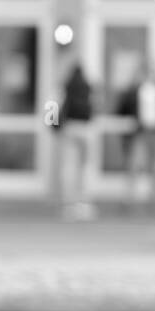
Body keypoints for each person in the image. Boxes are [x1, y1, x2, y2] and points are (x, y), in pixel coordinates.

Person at [122, 66, 155, 209]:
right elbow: (125, 106)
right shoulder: (136, 90)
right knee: (136, 164)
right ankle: (130, 198)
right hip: (141, 132)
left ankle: (154, 199)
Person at [58, 62, 95, 219]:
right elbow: (95, 108)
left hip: (70, 128)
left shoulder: (65, 87)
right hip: (85, 129)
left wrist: (54, 125)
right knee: (84, 167)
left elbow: (52, 105)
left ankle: (68, 203)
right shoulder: (88, 87)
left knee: (68, 165)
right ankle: (84, 203)